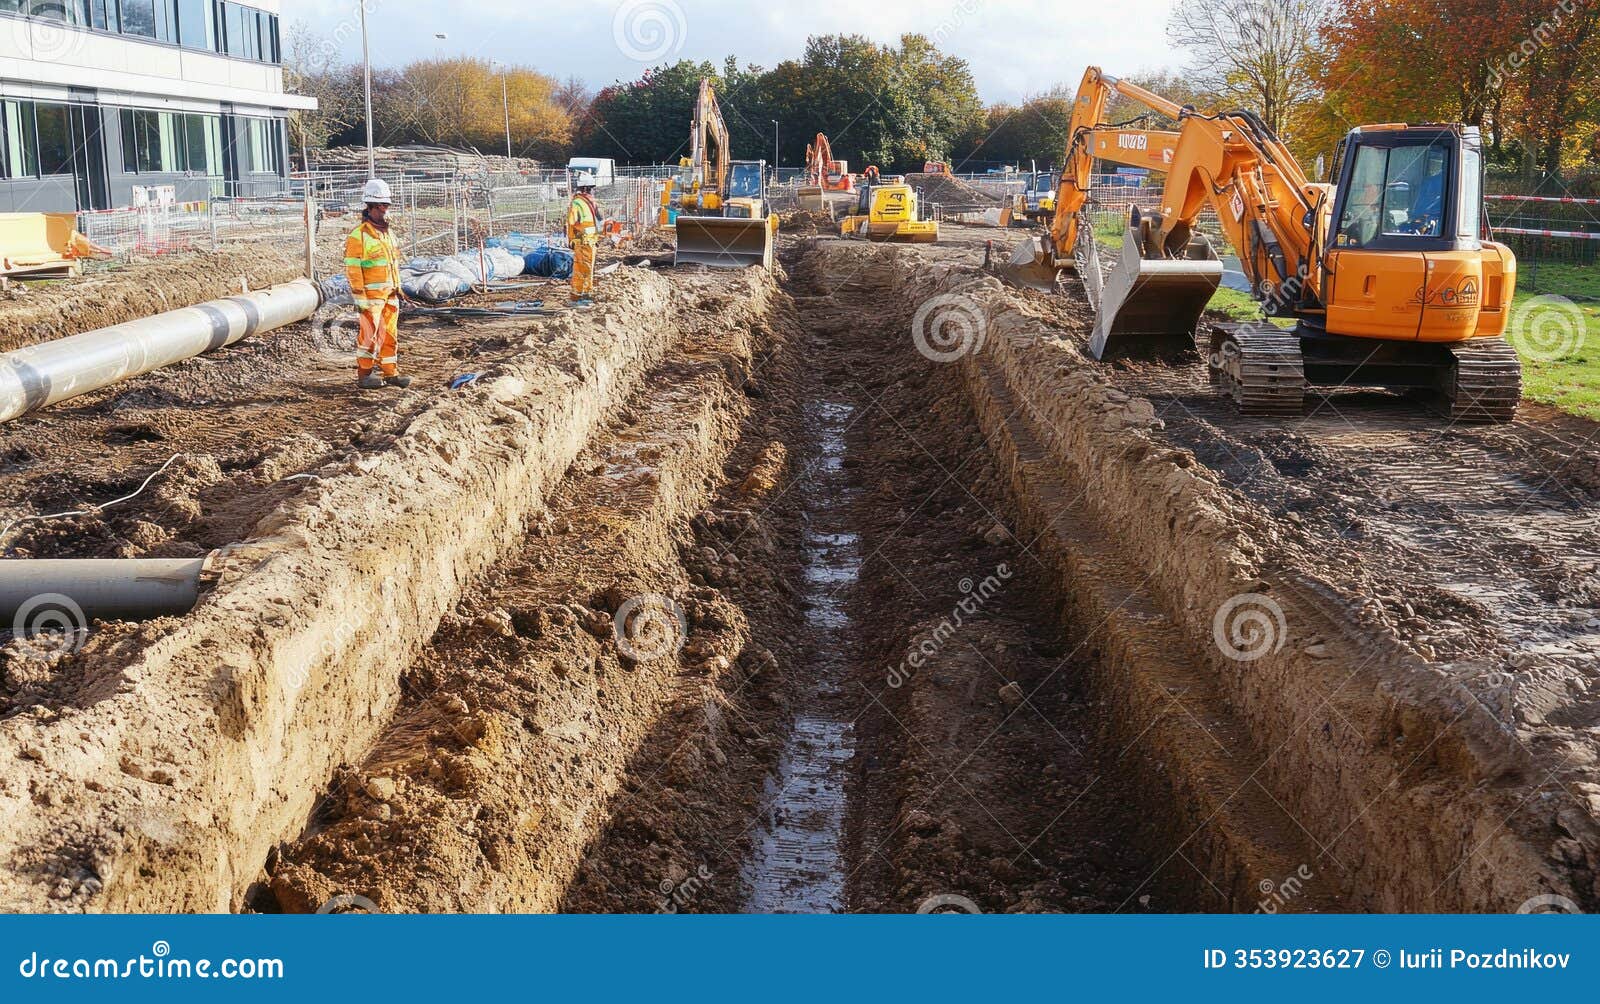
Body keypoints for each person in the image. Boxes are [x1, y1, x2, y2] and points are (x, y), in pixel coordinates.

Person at [345, 178, 411, 389]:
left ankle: (390, 372)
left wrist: (398, 288)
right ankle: (365, 375)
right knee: (369, 336)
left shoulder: (388, 234)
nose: (385, 209)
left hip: (390, 294)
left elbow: (393, 263)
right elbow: (353, 271)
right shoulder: (359, 237)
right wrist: (360, 298)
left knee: (390, 335)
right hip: (371, 298)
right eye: (381, 205)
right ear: (370, 206)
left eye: (387, 205)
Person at [567, 171, 601, 306]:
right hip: (589, 241)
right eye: (591, 188)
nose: (592, 191)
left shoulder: (578, 203)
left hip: (583, 242)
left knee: (581, 269)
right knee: (586, 269)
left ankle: (579, 296)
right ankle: (583, 295)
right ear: (587, 188)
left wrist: (570, 239)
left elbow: (571, 222)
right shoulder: (590, 202)